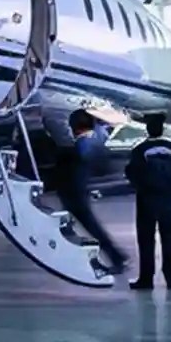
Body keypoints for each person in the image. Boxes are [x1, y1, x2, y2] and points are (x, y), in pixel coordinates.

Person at [55, 109, 126, 275]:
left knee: (93, 228)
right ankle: (116, 257)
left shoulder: (82, 145)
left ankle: (117, 258)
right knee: (91, 227)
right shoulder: (92, 140)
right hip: (77, 193)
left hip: (75, 194)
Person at [124, 113, 171, 290]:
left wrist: (142, 185)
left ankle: (146, 279)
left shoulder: (139, 150)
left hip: (146, 201)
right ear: (163, 129)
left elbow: (131, 173)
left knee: (146, 241)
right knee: (169, 240)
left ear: (148, 130)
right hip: (168, 201)